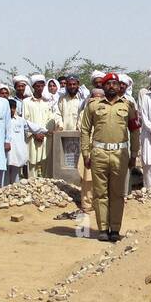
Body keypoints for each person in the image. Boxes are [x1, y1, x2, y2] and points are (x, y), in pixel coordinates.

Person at [79, 73, 139, 241]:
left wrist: (134, 154)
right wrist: (85, 153)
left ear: (120, 86)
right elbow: (85, 130)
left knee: (118, 194)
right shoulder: (93, 105)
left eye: (115, 83)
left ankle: (115, 229)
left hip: (120, 154)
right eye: (108, 84)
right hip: (99, 153)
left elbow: (135, 131)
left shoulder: (128, 106)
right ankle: (103, 229)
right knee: (100, 193)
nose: (111, 86)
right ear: (103, 87)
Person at [54, 75, 91, 210]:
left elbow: (83, 115)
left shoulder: (82, 100)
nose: (72, 87)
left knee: (78, 161)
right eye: (69, 84)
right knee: (66, 160)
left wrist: (79, 127)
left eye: (74, 84)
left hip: (78, 134)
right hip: (64, 134)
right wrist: (60, 125)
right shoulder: (61, 99)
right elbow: (57, 113)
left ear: (78, 84)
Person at [24, 76, 53, 177]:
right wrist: (35, 133)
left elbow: (51, 118)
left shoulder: (48, 102)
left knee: (46, 163)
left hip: (46, 138)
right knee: (32, 164)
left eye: (42, 85)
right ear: (33, 87)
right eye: (37, 86)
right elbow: (25, 121)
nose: (40, 88)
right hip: (32, 138)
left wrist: (46, 132)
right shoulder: (26, 102)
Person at [6, 97, 31, 184]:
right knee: (5, 173)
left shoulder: (20, 120)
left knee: (15, 173)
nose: (12, 110)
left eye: (13, 108)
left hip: (16, 151)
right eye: (10, 108)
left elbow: (31, 126)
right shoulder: (3, 120)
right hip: (6, 151)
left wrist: (45, 131)